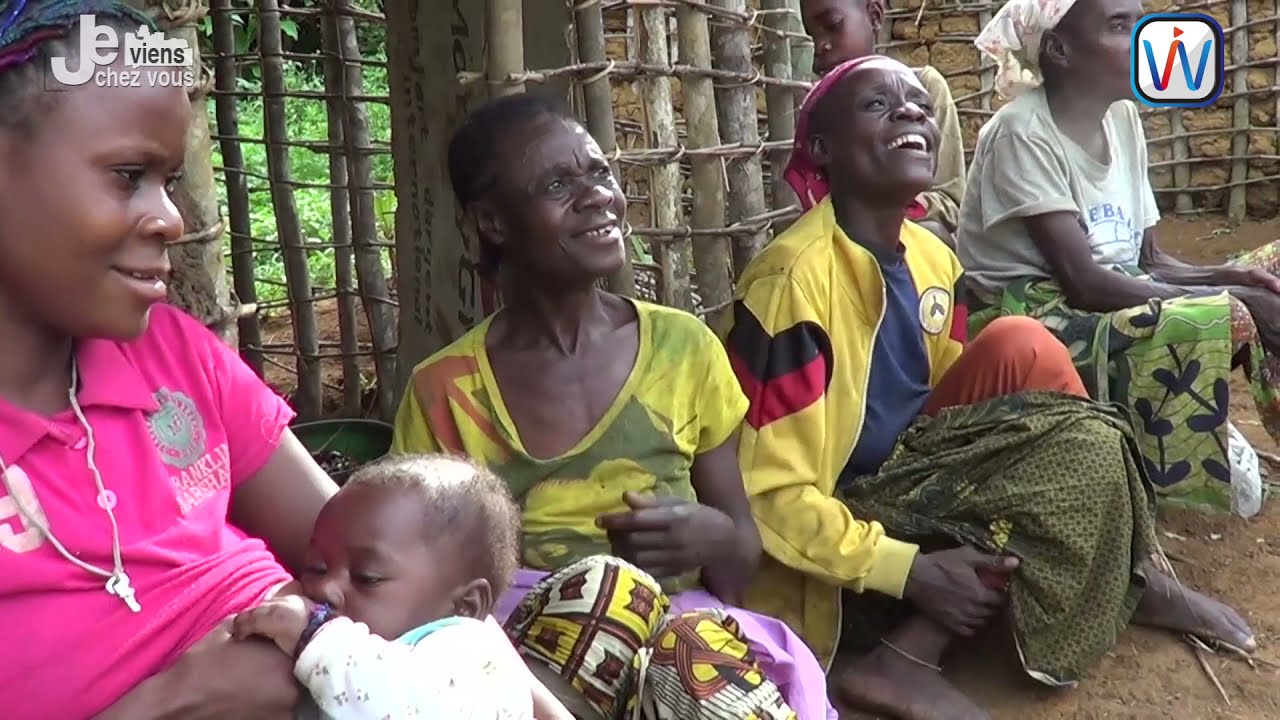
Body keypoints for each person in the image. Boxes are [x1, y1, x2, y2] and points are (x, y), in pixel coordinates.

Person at [0, 4, 572, 718]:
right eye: (127, 175)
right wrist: (181, 697)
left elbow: (388, 560)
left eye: (170, 180)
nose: (172, 218)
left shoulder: (172, 356)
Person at [723, 55, 1255, 720]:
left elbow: (967, 413)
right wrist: (908, 571)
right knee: (1078, 449)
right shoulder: (793, 283)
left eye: (917, 103)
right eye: (878, 105)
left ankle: (1130, 569)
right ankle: (903, 659)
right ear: (823, 151)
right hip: (842, 548)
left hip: (908, 477)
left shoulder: (931, 259)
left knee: (1022, 345)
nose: (910, 112)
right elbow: (769, 497)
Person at [392, 91, 835, 720]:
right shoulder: (446, 391)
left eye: (599, 172)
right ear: (493, 222)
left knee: (690, 655)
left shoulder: (685, 351)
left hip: (682, 648)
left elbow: (739, 563)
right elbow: (425, 590)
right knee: (608, 600)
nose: (597, 193)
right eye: (556, 183)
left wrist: (707, 536)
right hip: (521, 662)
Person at [956, 0, 1280, 513]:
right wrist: (1229, 295)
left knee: (1272, 270)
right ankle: (1169, 483)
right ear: (1059, 49)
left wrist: (1232, 273)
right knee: (1231, 311)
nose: (1144, 39)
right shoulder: (1021, 132)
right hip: (1032, 314)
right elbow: (1083, 283)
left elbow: (1148, 258)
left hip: (1108, 287)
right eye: (1119, 26)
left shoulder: (1124, 118)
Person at [232, 454, 534, 719]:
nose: (326, 587)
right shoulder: (368, 657)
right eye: (316, 567)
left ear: (465, 605)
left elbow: (405, 707)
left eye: (367, 577)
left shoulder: (472, 660)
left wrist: (314, 635)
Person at [799, 0, 966, 243]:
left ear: (875, 16)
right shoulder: (822, 109)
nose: (820, 47)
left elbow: (951, 202)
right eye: (812, 37)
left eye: (832, 25)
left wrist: (886, 204)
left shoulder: (924, 87)